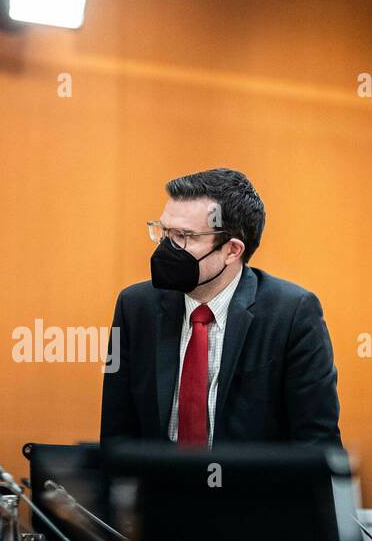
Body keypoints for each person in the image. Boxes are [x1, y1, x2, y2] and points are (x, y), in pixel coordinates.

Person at [101, 168, 341, 447]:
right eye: (164, 231)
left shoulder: (292, 314)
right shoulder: (135, 307)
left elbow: (317, 444)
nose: (166, 247)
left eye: (183, 236)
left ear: (232, 250)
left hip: (252, 489)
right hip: (159, 489)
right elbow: (116, 436)